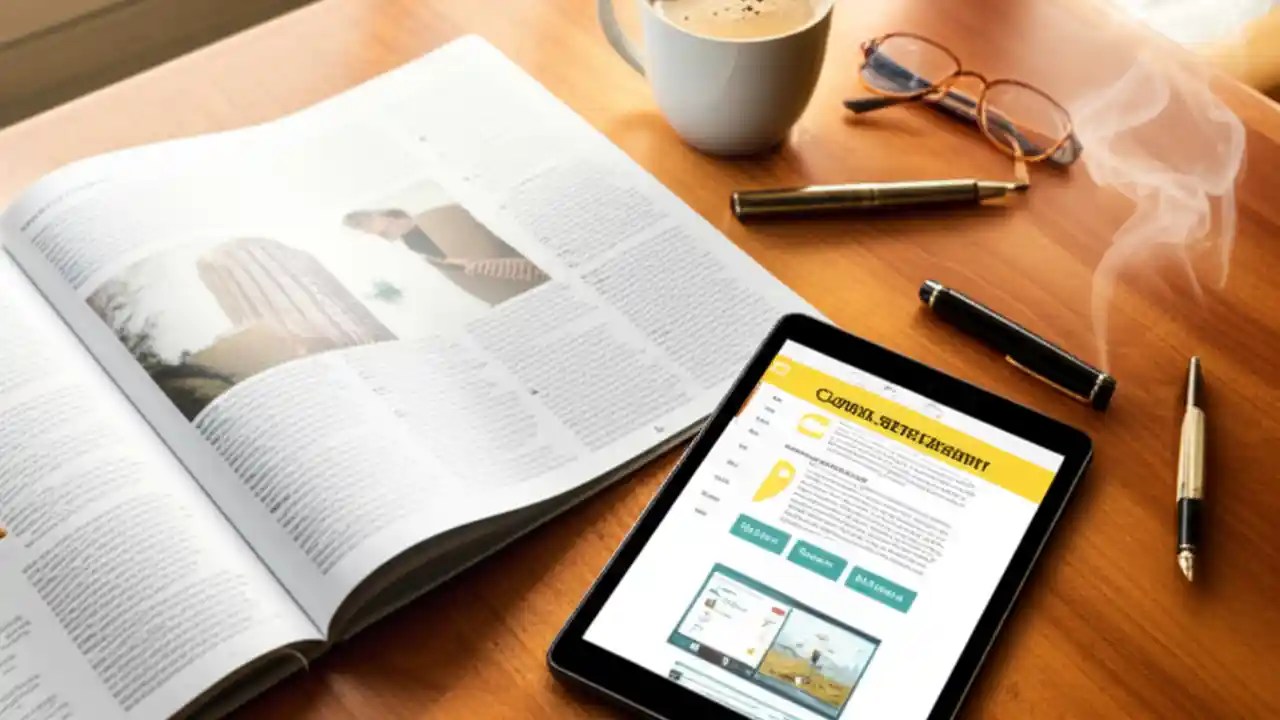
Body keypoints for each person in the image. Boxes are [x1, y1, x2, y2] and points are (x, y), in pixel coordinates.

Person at [344, 207, 548, 306]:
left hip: (523, 268)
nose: (382, 234)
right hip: (501, 286)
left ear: (386, 217)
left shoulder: (441, 217)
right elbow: (447, 265)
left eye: (381, 228)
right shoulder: (411, 245)